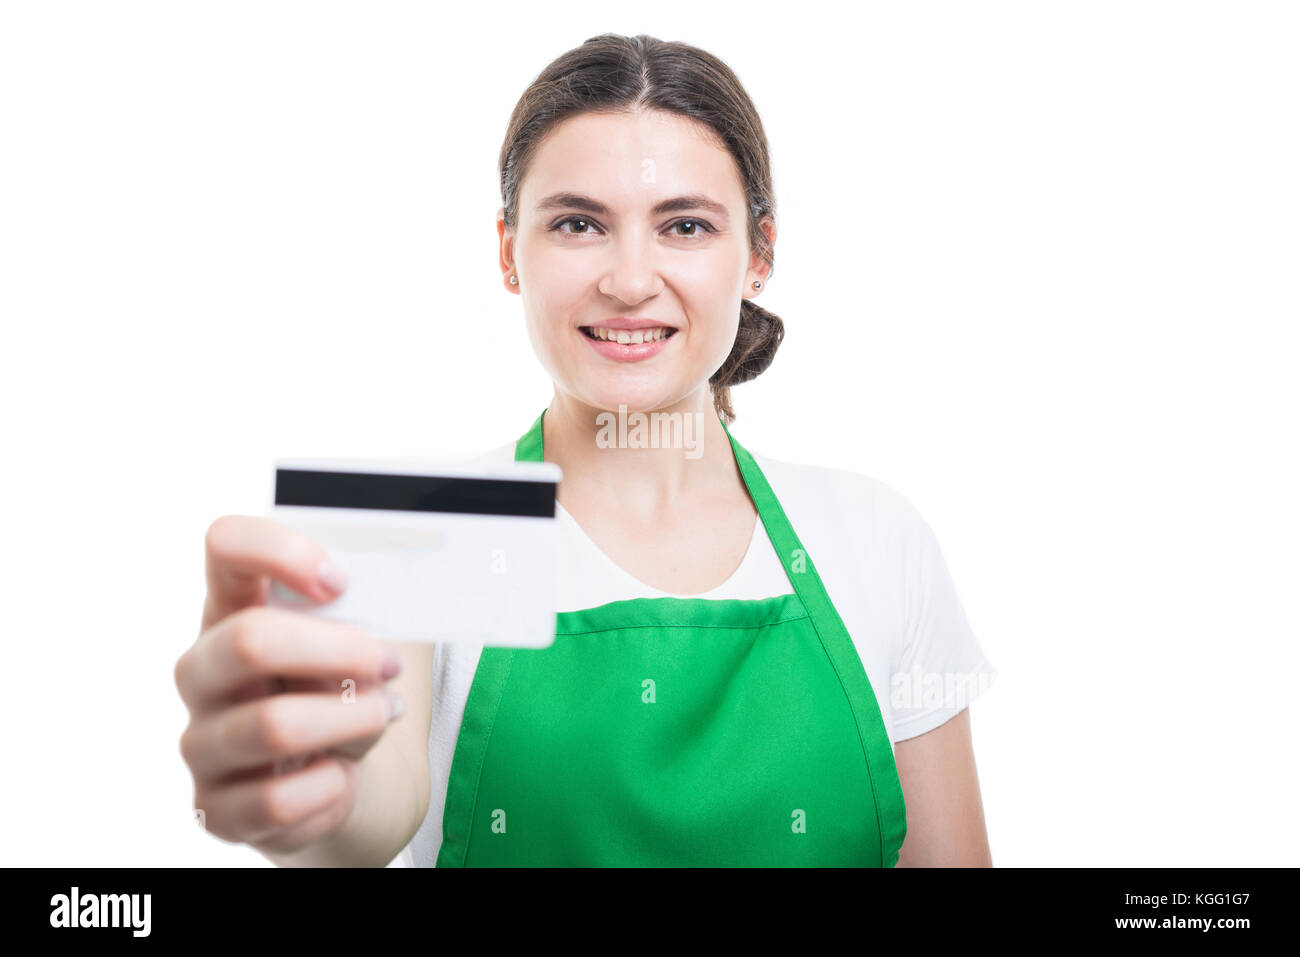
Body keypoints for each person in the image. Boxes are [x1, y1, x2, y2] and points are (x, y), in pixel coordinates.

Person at [175, 32, 997, 868]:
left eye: (684, 225)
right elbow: (366, 809)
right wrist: (308, 793)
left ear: (758, 255)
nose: (631, 280)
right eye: (578, 223)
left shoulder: (876, 538)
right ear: (508, 253)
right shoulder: (425, 525)